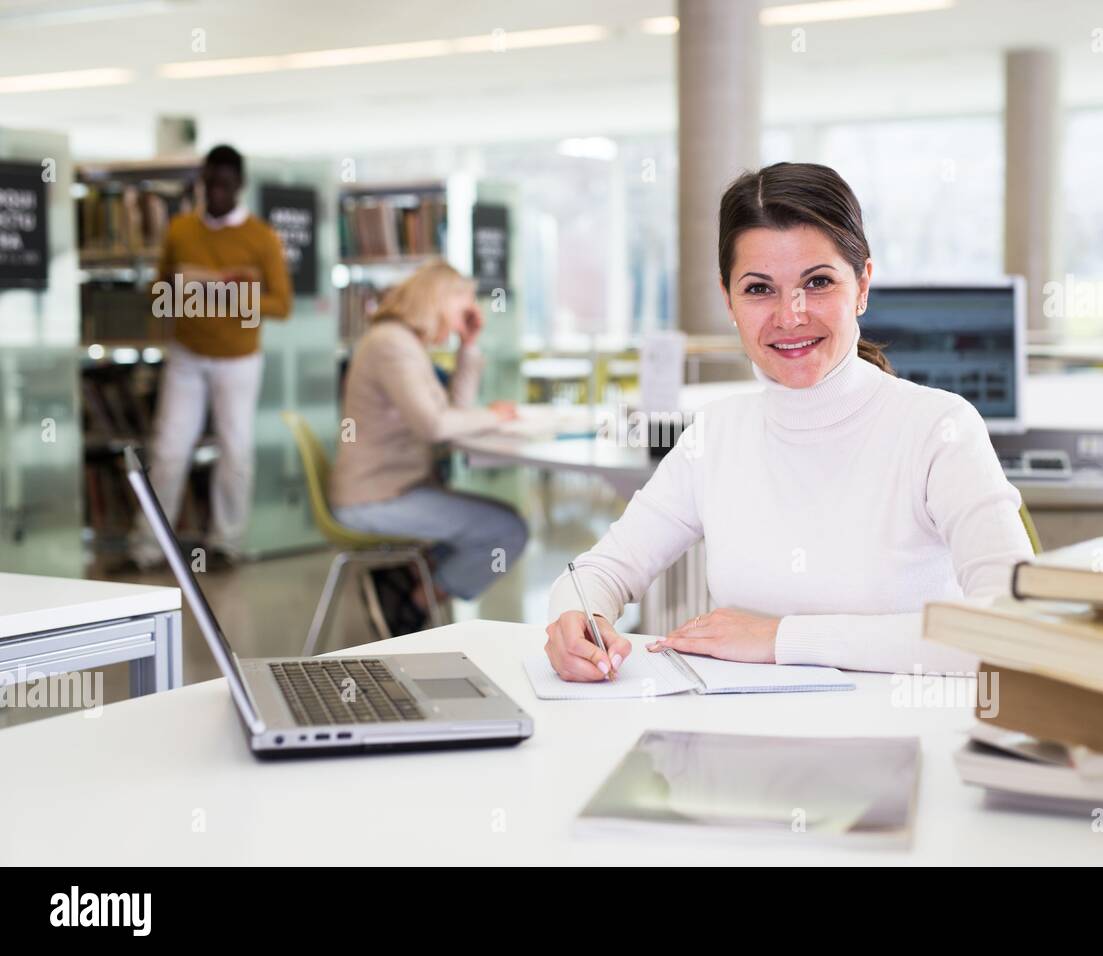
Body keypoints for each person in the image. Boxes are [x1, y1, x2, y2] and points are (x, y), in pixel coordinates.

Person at [543, 161, 1032, 681]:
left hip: (902, 748)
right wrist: (578, 618)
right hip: (745, 745)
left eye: (817, 282)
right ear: (728, 298)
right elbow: (597, 571)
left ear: (863, 284)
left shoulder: (939, 429)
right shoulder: (715, 435)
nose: (790, 315)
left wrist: (782, 638)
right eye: (758, 289)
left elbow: (1016, 632)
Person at [330, 260, 528, 627]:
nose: (461, 322)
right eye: (461, 311)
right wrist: (497, 416)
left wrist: (468, 347)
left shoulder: (401, 342)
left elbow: (455, 413)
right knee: (506, 531)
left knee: (497, 523)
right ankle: (410, 604)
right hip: (374, 499)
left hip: (392, 490)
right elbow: (435, 425)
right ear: (437, 300)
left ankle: (401, 584)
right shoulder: (392, 344)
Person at [127, 144, 292, 568]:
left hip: (238, 359)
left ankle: (226, 544)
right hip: (186, 355)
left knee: (235, 450)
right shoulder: (181, 230)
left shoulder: (262, 237)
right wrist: (178, 293)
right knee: (167, 450)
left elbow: (282, 305)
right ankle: (147, 547)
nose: (215, 192)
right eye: (209, 183)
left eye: (224, 184)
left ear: (240, 185)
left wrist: (233, 292)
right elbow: (156, 293)